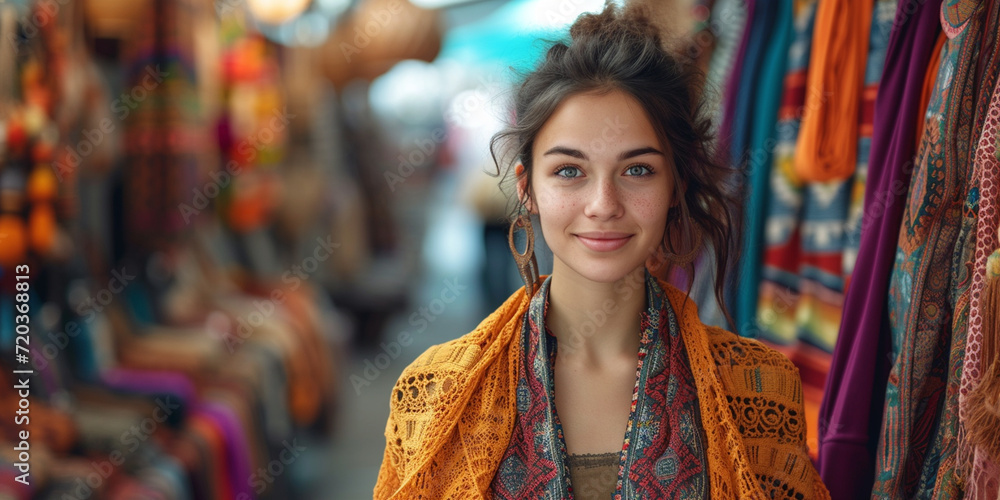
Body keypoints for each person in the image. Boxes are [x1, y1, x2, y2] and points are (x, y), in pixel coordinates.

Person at [374, 3, 830, 499]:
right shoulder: (436, 393)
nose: (603, 205)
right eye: (569, 170)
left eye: (637, 170)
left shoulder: (758, 390)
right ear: (526, 188)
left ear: (676, 185)